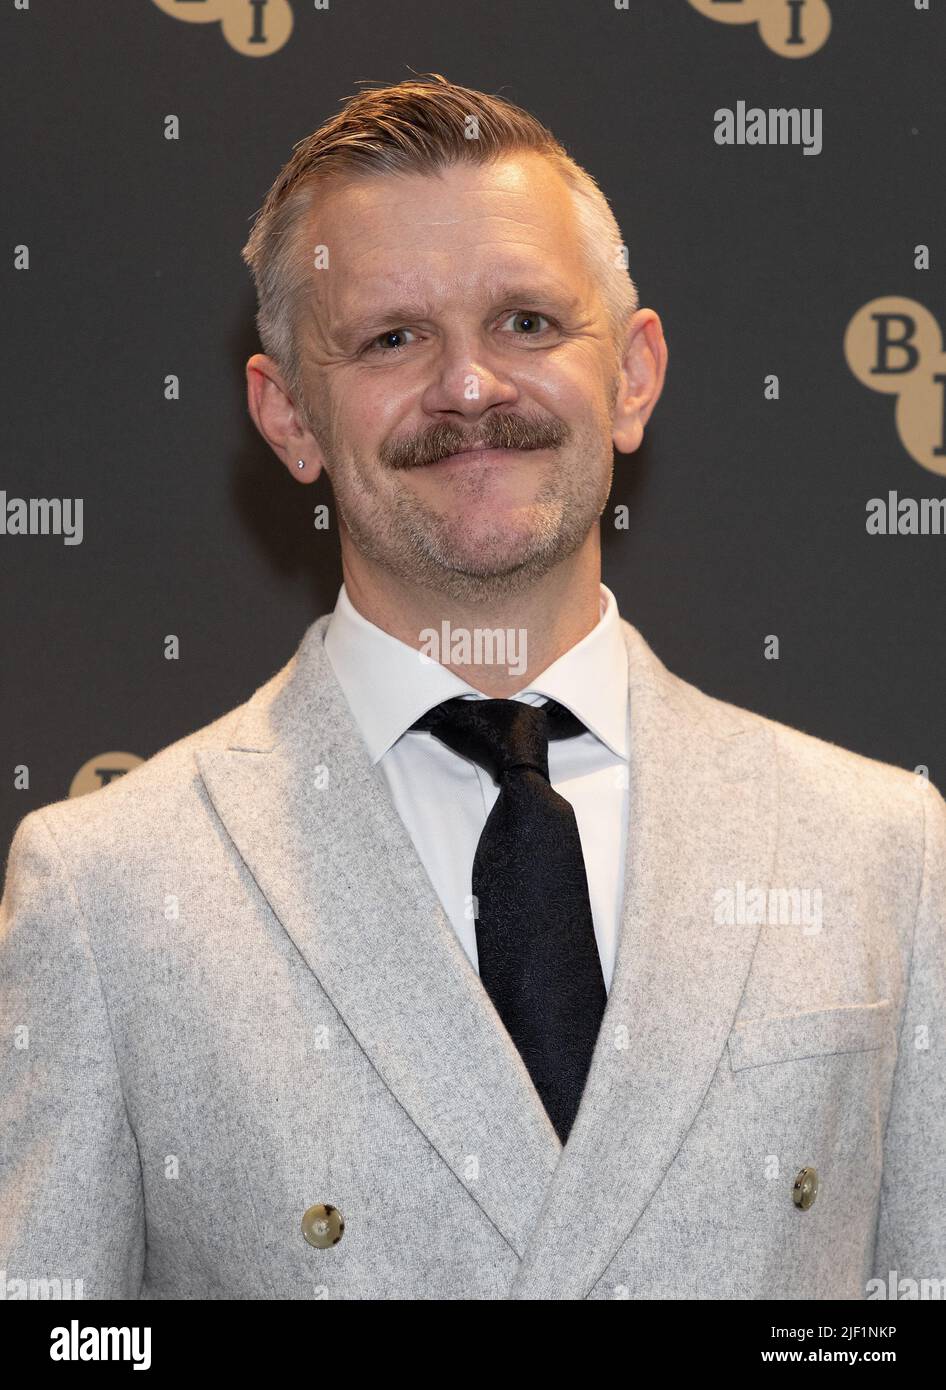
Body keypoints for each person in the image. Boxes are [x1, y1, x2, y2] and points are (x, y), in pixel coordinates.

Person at [1, 74, 943, 1302]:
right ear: (288, 415)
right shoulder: (107, 892)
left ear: (635, 374)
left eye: (529, 325)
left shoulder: (884, 853)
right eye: (393, 338)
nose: (470, 388)